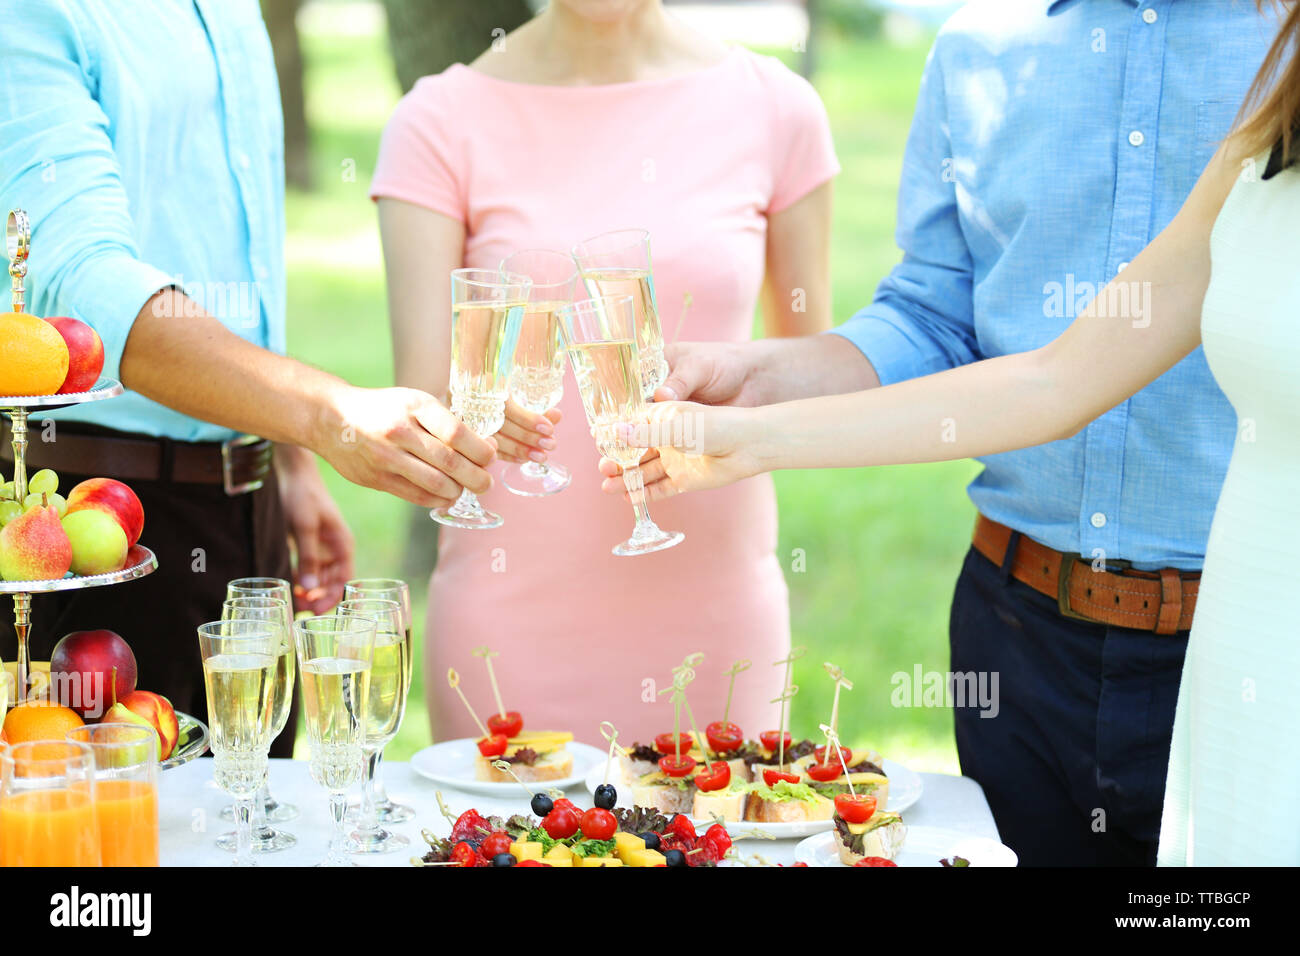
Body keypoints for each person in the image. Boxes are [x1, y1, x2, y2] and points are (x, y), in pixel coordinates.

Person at [616, 2, 1300, 867]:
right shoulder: (994, 46)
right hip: (1018, 639)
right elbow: (1020, 360)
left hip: (1240, 645)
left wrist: (760, 436)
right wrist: (757, 403)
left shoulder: (1275, 60)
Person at [0, 0, 497, 755]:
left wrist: (285, 460)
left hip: (248, 509)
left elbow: (236, 253)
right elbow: (84, 283)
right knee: (114, 852)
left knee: (249, 823)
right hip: (92, 534)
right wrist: (325, 415)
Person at [371, 0, 838, 739]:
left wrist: (720, 414)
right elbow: (425, 394)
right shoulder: (437, 120)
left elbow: (816, 374)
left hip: (715, 612)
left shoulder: (777, 108)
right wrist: (473, 421)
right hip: (509, 626)